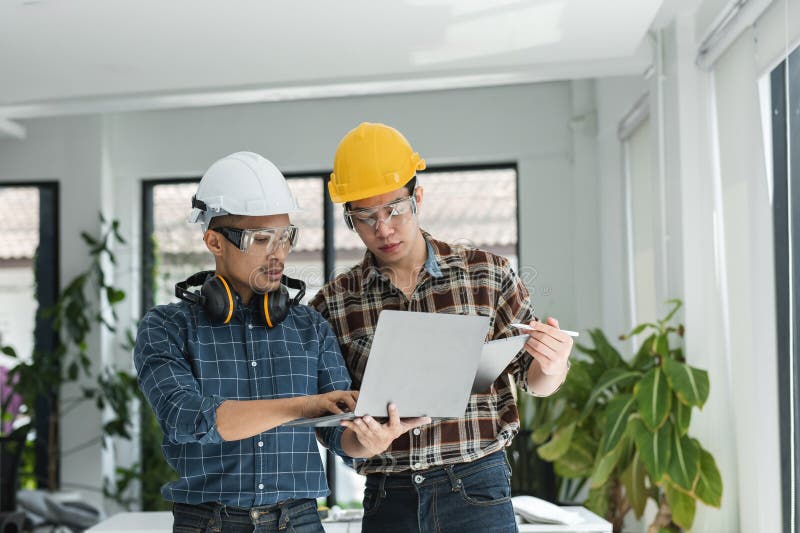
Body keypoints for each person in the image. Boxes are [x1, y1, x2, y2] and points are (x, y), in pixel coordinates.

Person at [134, 151, 426, 533]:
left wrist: (369, 441)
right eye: (260, 239)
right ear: (214, 241)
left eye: (285, 237)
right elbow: (189, 418)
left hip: (300, 521)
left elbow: (339, 433)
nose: (279, 254)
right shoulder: (166, 327)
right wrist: (304, 406)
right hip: (208, 523)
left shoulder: (310, 326)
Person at [310, 123, 574, 533]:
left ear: (417, 197)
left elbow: (533, 379)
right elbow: (326, 419)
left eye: (394, 210)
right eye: (364, 217)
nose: (382, 228)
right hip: (388, 496)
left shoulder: (487, 274)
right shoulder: (333, 303)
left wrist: (553, 365)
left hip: (476, 491)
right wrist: (362, 442)